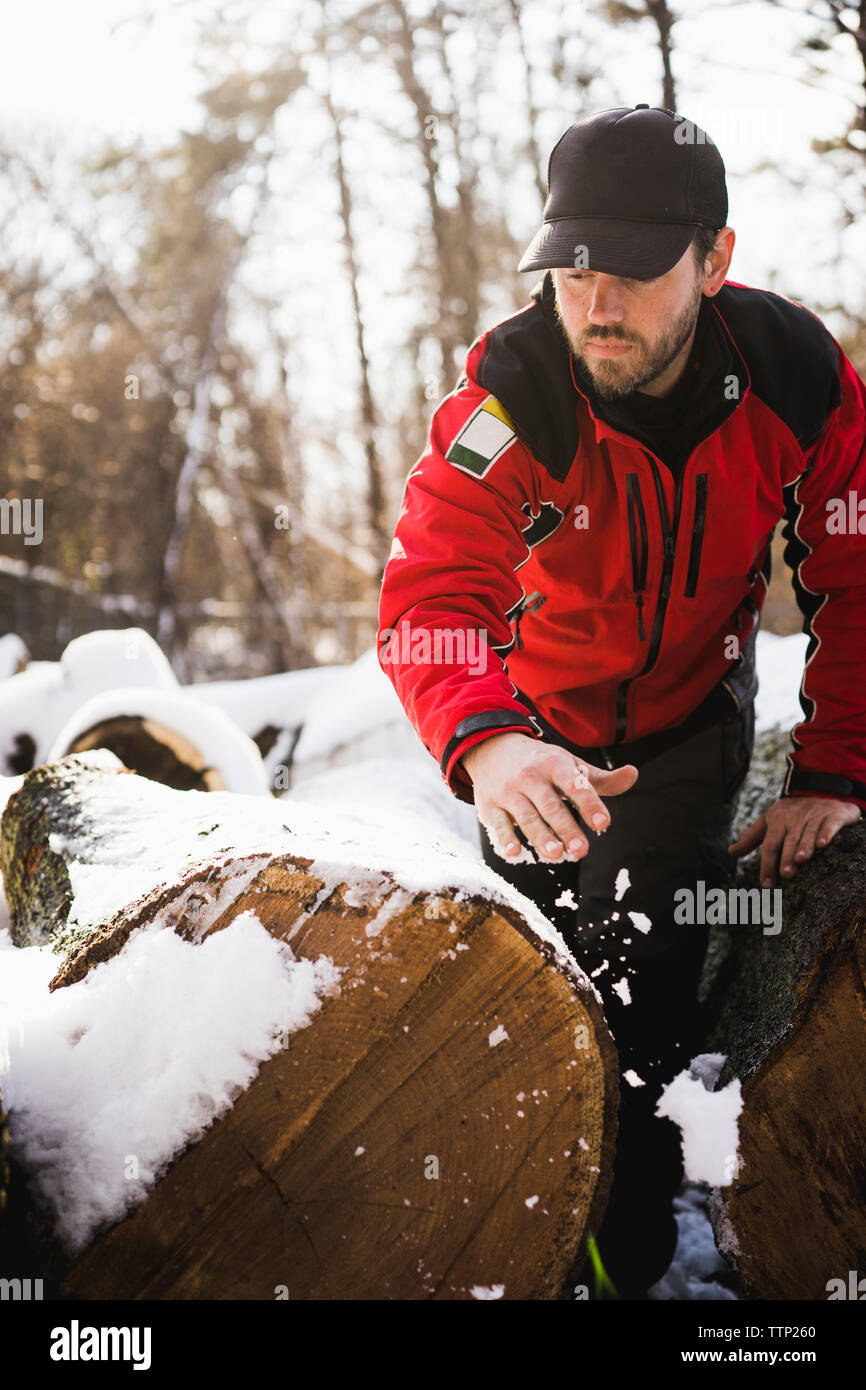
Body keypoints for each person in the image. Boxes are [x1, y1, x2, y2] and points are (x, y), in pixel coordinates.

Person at [376, 104, 866, 1297]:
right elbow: (430, 592)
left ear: (713, 260)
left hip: (685, 733)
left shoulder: (793, 376)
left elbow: (860, 573)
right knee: (519, 1000)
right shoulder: (513, 392)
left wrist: (835, 769)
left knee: (634, 994)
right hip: (528, 740)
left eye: (636, 273)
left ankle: (632, 1265)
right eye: (573, 267)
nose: (596, 302)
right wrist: (487, 744)